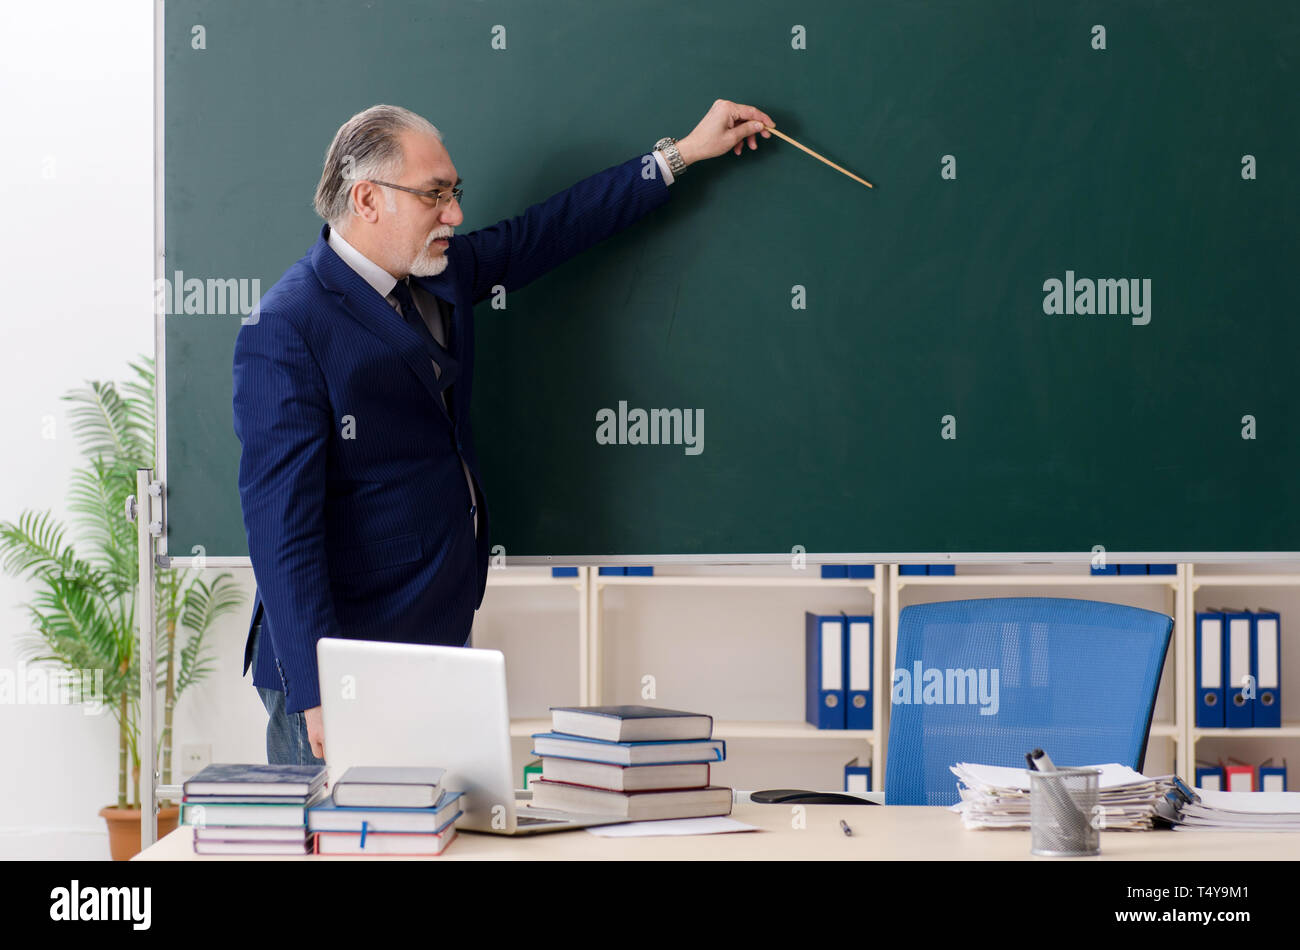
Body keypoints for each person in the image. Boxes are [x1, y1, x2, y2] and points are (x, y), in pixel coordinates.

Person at [232, 100, 773, 765]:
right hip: (342, 662)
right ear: (367, 199)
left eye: (454, 194)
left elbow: (547, 231)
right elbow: (280, 526)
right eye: (435, 196)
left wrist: (680, 154)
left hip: (431, 633)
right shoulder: (287, 327)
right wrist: (316, 692)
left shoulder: (436, 272)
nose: (454, 215)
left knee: (432, 835)